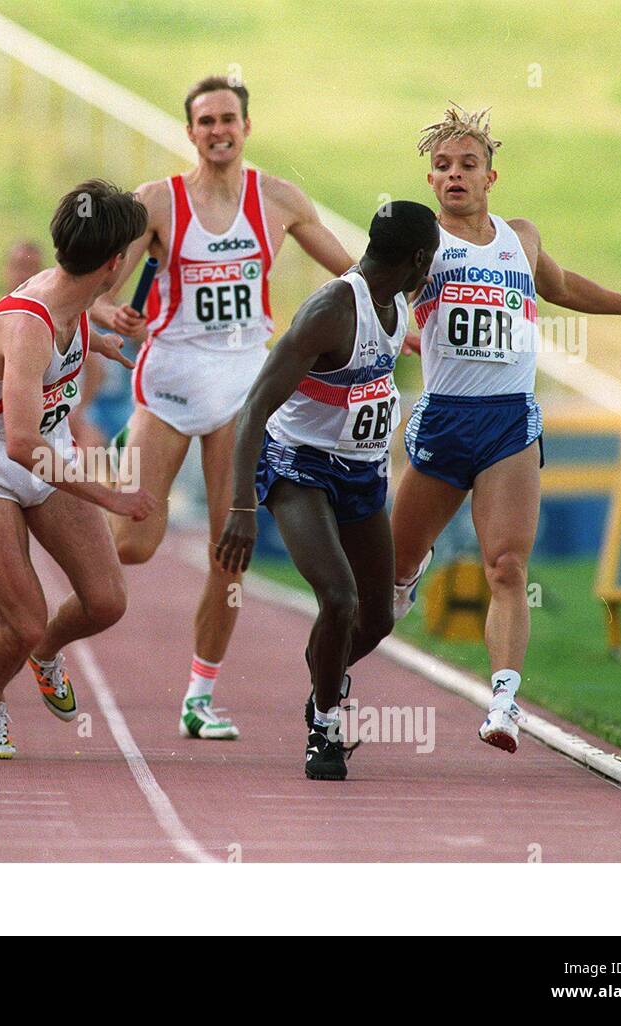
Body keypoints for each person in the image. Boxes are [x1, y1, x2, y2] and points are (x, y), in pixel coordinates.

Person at [393, 106, 621, 751]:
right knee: (389, 570)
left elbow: (561, 286)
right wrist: (393, 332)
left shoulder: (520, 237)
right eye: (442, 167)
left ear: (490, 176)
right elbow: (371, 290)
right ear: (429, 180)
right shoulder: (422, 242)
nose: (454, 176)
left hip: (509, 421)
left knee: (506, 566)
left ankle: (503, 701)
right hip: (444, 418)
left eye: (466, 165)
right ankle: (357, 648)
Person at [92, 75, 354, 740]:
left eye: (227, 119)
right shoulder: (157, 202)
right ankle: (72, 531)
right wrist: (111, 311)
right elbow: (93, 289)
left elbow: (351, 276)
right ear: (189, 132)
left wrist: (393, 317)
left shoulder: (279, 199)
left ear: (245, 126)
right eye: (205, 121)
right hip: (173, 377)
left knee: (228, 550)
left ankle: (200, 696)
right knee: (139, 541)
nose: (218, 130)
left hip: (244, 386)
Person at [216, 202, 439, 780]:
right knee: (338, 598)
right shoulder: (332, 311)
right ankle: (324, 725)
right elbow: (253, 412)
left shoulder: (396, 306)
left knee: (380, 617)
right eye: (432, 257)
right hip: (299, 468)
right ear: (418, 258)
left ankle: (325, 668)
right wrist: (242, 506)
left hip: (362, 473)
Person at [0, 180, 155, 759]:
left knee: (106, 602)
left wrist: (102, 338)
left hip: (45, 447)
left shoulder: (75, 295)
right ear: (112, 264)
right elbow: (21, 447)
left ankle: (45, 654)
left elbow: (85, 304)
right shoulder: (28, 326)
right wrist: (111, 498)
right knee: (26, 620)